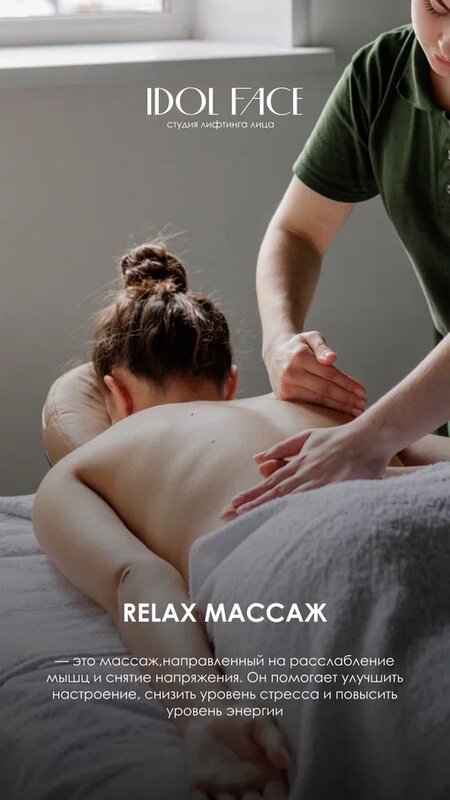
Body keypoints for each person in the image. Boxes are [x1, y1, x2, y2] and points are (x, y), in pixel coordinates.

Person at [32, 242, 438, 799]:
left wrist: (206, 711)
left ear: (115, 394)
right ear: (231, 383)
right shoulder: (332, 418)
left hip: (310, 546)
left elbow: (139, 581)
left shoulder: (81, 470)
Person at [225, 3, 450, 514]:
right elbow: (298, 231)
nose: (445, 42)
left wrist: (371, 436)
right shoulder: (382, 74)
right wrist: (280, 341)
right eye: (436, 7)